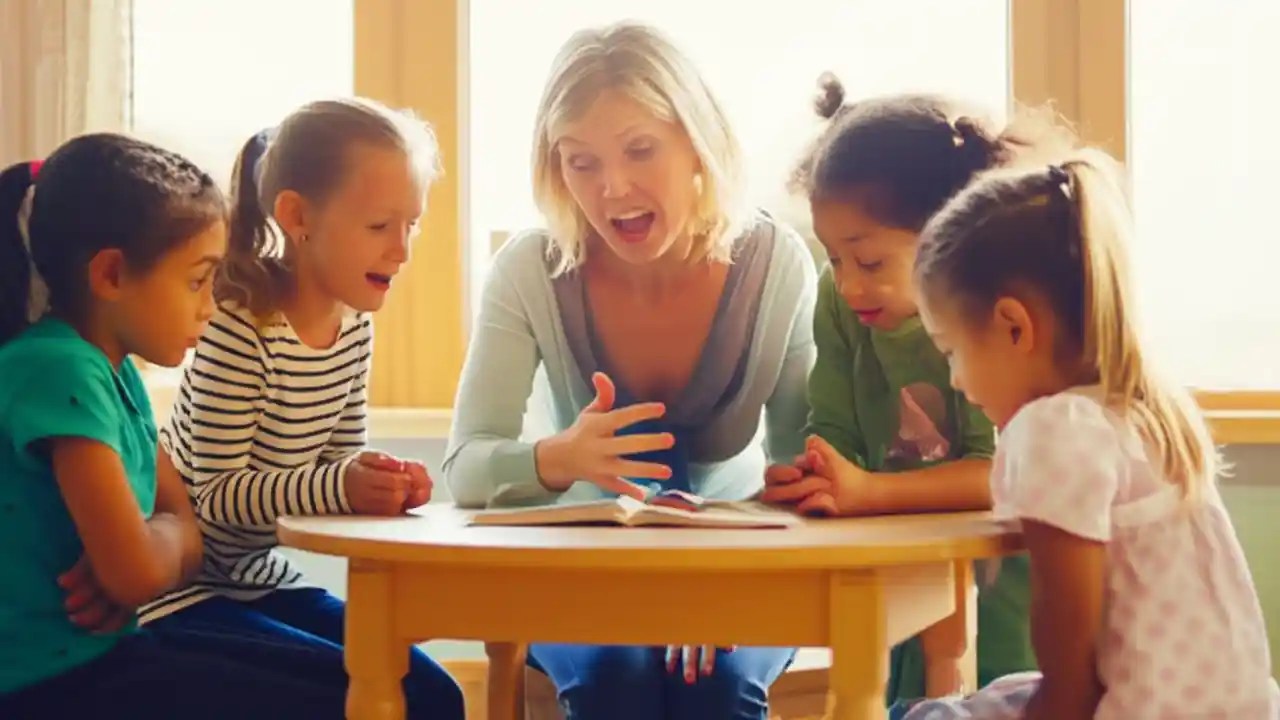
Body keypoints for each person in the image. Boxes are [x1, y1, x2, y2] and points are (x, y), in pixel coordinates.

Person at [444, 21, 815, 720]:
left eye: (640, 150)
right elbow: (465, 465)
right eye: (579, 162)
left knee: (717, 685)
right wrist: (557, 458)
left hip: (741, 566)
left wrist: (725, 579)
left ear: (697, 141)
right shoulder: (530, 269)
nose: (612, 188)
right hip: (581, 568)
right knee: (619, 683)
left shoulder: (777, 264)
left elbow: (804, 475)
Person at [890, 150, 1280, 718]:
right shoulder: (1144, 411)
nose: (957, 381)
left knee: (926, 715)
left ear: (1014, 326)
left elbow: (1069, 658)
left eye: (952, 351)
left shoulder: (1055, 431)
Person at [0, 135, 357, 719]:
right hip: (53, 685)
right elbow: (139, 569)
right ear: (111, 274)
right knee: (354, 700)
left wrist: (154, 544)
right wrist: (149, 551)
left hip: (107, 656)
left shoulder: (117, 376)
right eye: (197, 281)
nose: (210, 306)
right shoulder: (58, 368)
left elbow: (182, 527)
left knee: (368, 685)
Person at [138, 98, 464, 719]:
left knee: (435, 695)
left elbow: (335, 472)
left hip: (258, 580)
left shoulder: (354, 328)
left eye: (411, 225)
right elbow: (213, 494)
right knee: (360, 695)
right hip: (183, 595)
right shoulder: (240, 326)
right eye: (378, 227)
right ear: (296, 216)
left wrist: (380, 484)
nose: (402, 249)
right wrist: (343, 482)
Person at [763, 76, 1077, 702]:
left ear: (946, 236)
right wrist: (817, 476)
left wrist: (868, 491)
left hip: (1002, 585)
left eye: (870, 262)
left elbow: (1000, 472)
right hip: (896, 568)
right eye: (835, 259)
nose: (849, 285)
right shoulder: (840, 303)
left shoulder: (983, 316)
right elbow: (835, 429)